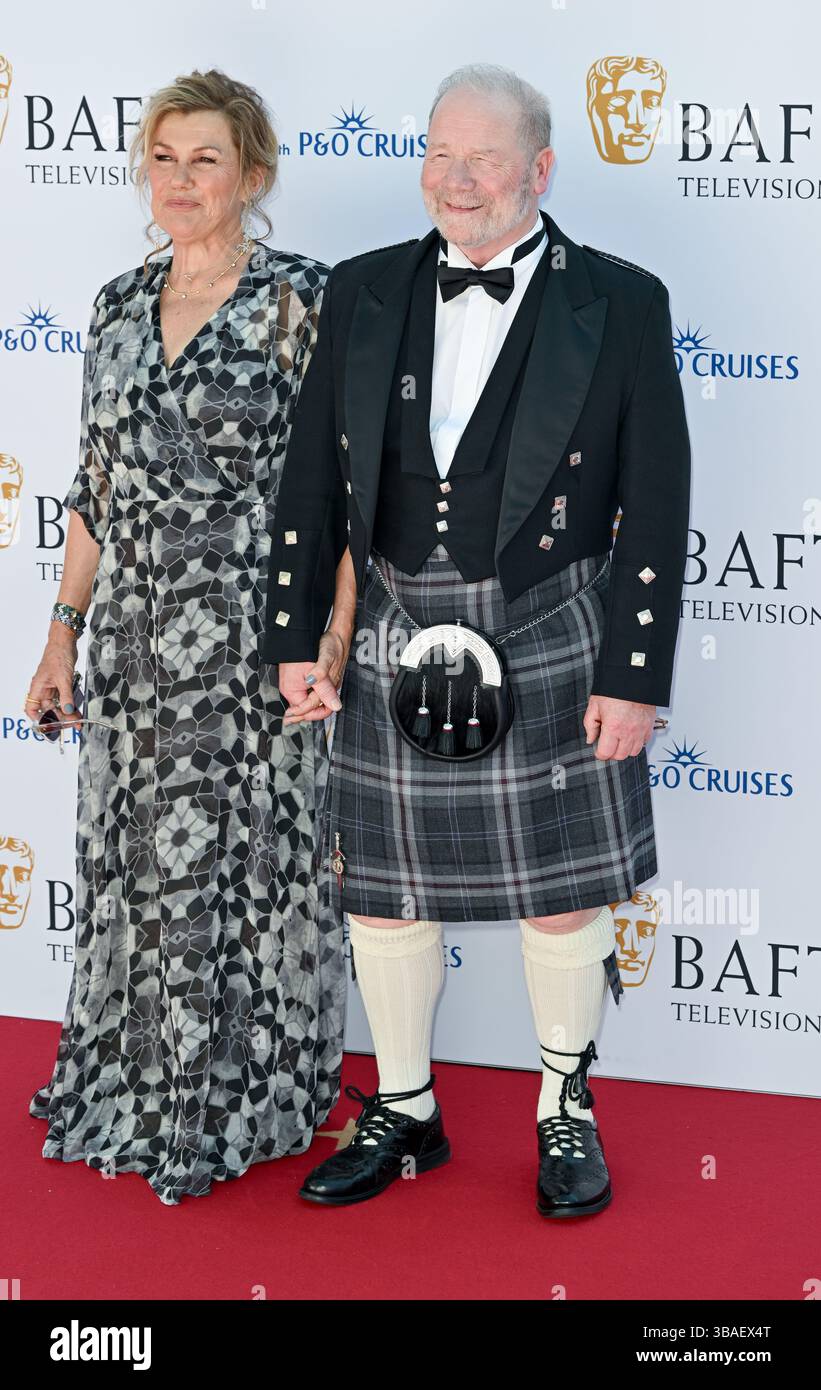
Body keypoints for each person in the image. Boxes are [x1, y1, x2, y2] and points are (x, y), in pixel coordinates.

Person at [261, 63, 691, 1217]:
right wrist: (296, 635)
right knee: (382, 895)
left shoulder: (620, 300)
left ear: (538, 168)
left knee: (560, 895)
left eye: (483, 158)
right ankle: (404, 1112)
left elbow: (653, 497)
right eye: (439, 155)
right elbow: (311, 477)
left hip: (549, 620)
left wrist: (631, 671)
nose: (457, 180)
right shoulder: (358, 291)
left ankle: (562, 1106)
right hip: (393, 627)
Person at [24, 68, 352, 1205]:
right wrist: (60, 632)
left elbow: (346, 498)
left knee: (250, 867)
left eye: (205, 159)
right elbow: (97, 486)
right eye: (163, 158)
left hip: (259, 642)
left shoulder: (302, 299)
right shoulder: (116, 302)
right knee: (136, 873)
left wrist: (333, 643)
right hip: (130, 641)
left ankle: (243, 1089)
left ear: (251, 175)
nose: (180, 180)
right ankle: (135, 1075)